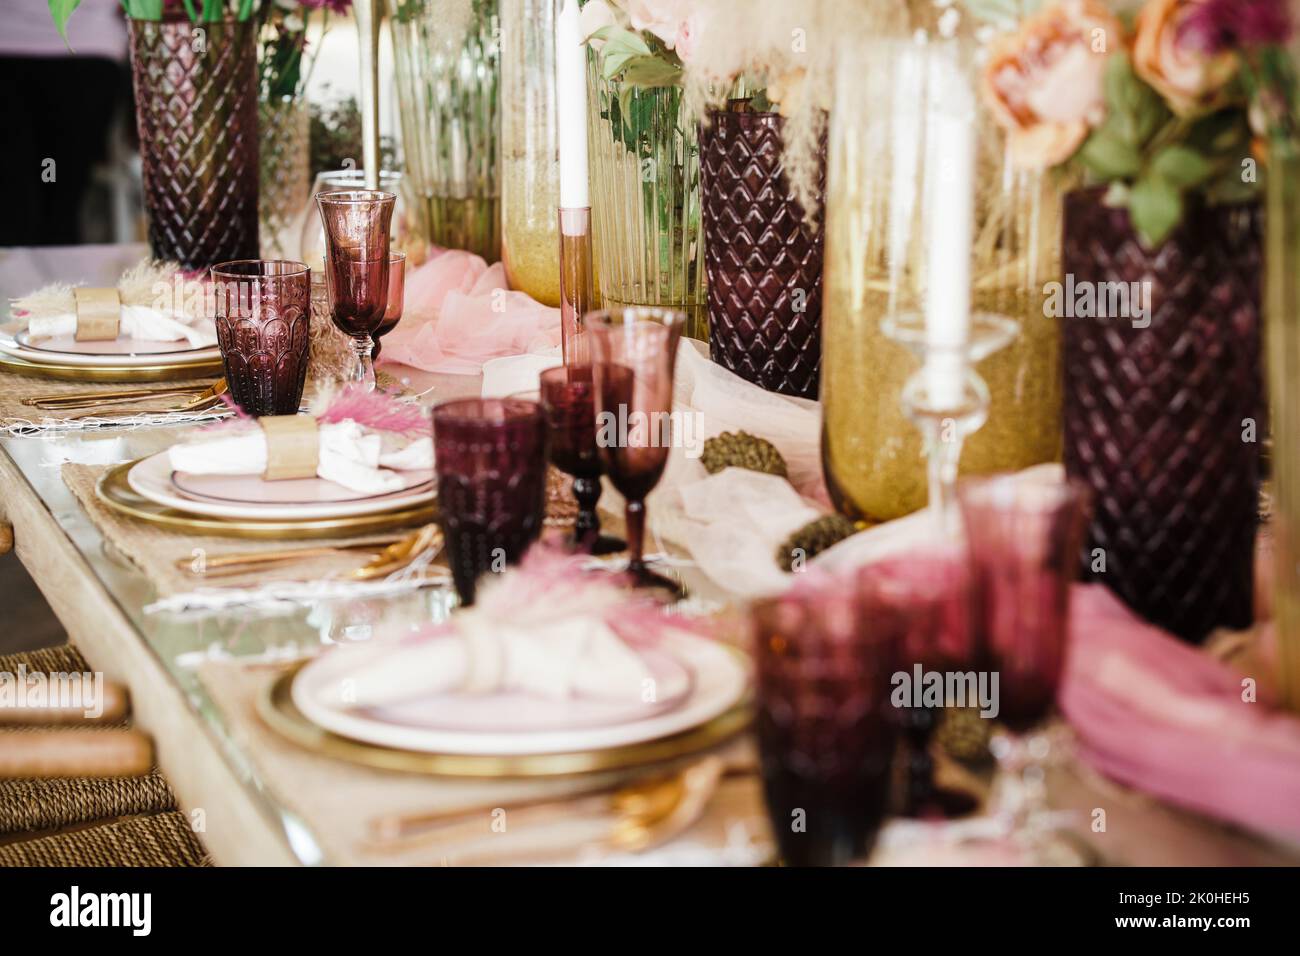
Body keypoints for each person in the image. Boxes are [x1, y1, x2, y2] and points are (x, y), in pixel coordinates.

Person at [0, 0, 129, 246]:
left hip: (83, 45)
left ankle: (48, 280)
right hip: (82, 47)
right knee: (43, 201)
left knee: (45, 198)